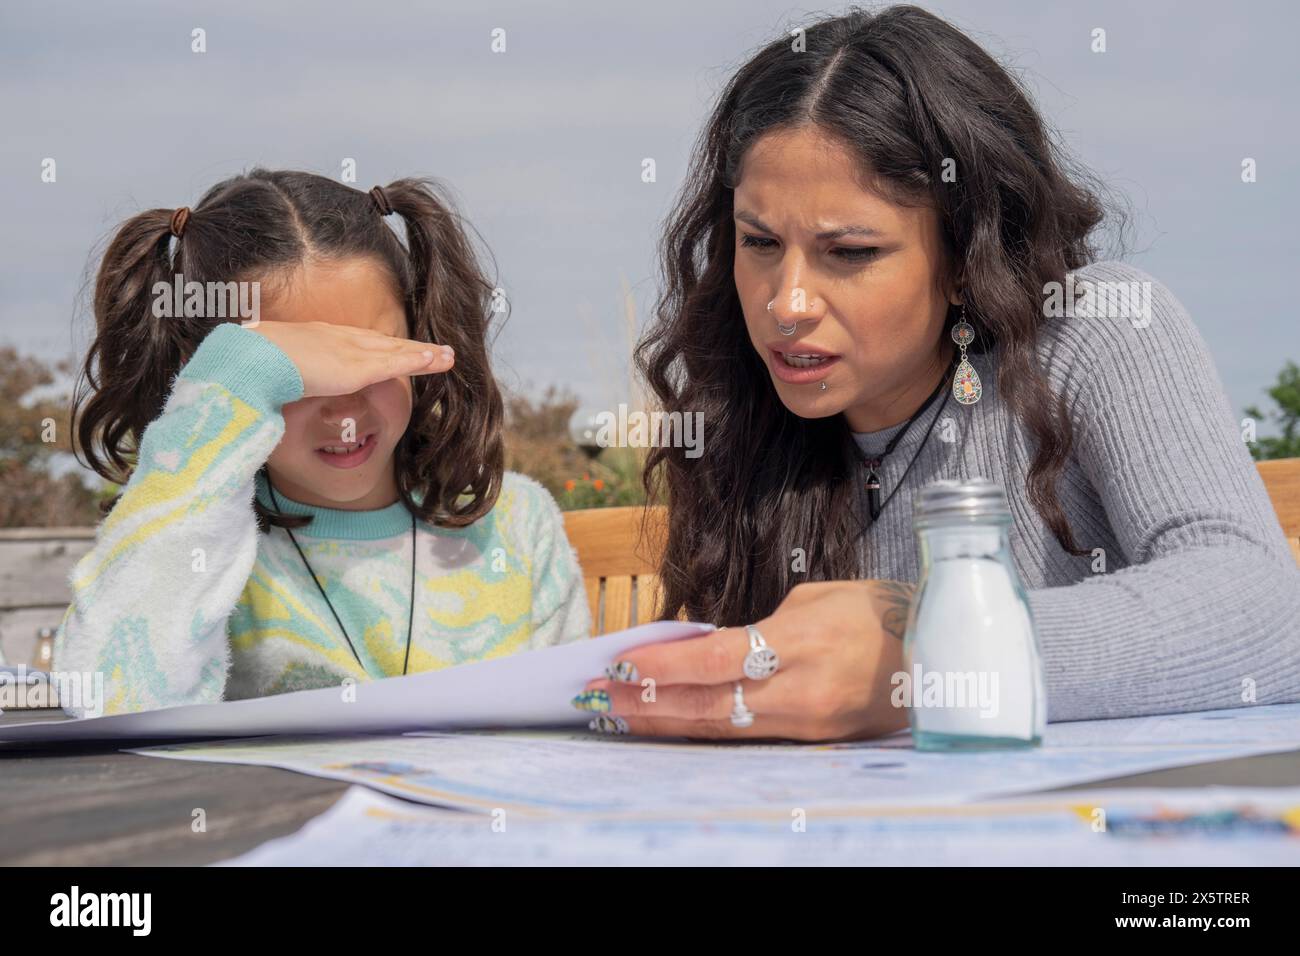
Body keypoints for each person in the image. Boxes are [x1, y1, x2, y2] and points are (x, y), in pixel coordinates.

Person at [571, 5, 1300, 740]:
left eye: (850, 252)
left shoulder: (1100, 331)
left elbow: (1266, 612)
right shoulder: (741, 414)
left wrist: (922, 650)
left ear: (965, 257)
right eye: (759, 242)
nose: (786, 304)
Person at [55, 169, 589, 717]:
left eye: (373, 356)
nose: (346, 409)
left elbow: (572, 725)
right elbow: (107, 704)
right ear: (213, 375)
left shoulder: (520, 527)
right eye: (297, 374)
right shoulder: (194, 540)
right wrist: (231, 383)